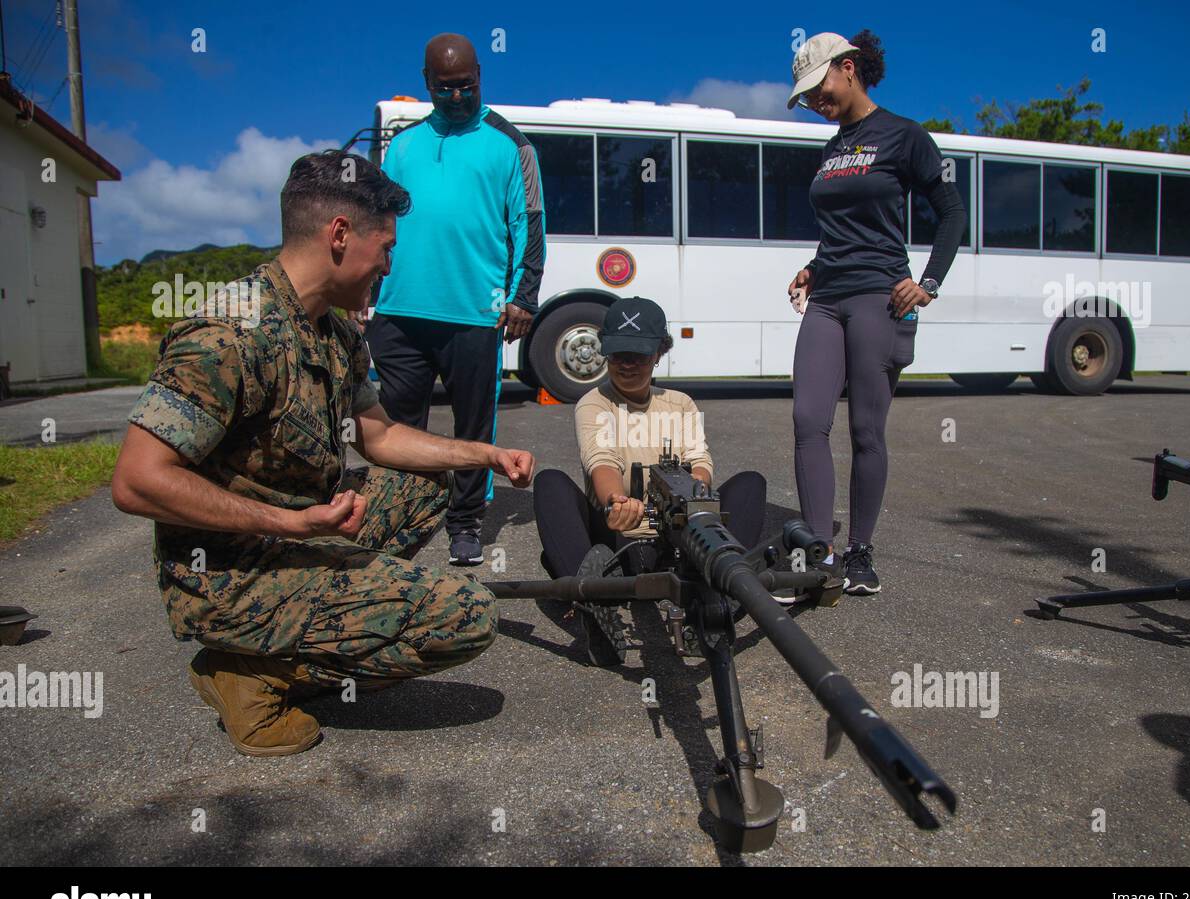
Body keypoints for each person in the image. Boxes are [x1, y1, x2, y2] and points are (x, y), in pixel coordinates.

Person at [111, 150, 536, 758]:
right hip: (230, 574)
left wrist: (482, 453)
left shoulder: (334, 333)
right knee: (467, 615)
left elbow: (382, 437)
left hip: (297, 535)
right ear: (340, 235)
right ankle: (253, 675)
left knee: (426, 481)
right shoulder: (227, 332)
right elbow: (137, 482)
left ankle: (292, 635)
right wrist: (290, 522)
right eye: (385, 248)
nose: (388, 266)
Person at [785, 30, 966, 595]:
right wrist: (814, 266)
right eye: (807, 97)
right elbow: (840, 225)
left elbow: (951, 212)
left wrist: (928, 282)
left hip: (878, 299)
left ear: (849, 68)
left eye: (820, 88)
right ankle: (819, 550)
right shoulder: (832, 147)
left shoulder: (905, 136)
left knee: (866, 430)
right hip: (828, 296)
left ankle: (860, 552)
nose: (816, 102)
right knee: (807, 420)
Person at [366, 32, 546, 568]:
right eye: (444, 88)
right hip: (399, 313)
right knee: (396, 428)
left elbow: (530, 224)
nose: (456, 97)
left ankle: (465, 524)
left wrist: (524, 296)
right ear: (427, 83)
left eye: (465, 86)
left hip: (473, 314)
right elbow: (380, 221)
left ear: (480, 78)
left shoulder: (511, 145)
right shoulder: (402, 145)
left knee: (473, 428)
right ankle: (400, 517)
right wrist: (363, 294)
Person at [533, 298, 774, 656]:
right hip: (619, 537)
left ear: (659, 353)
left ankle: (716, 599)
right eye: (618, 356)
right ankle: (594, 600)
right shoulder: (595, 403)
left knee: (751, 484)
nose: (627, 366)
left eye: (639, 357)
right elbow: (602, 462)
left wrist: (696, 492)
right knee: (550, 482)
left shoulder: (680, 404)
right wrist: (617, 502)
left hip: (681, 540)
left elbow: (700, 461)